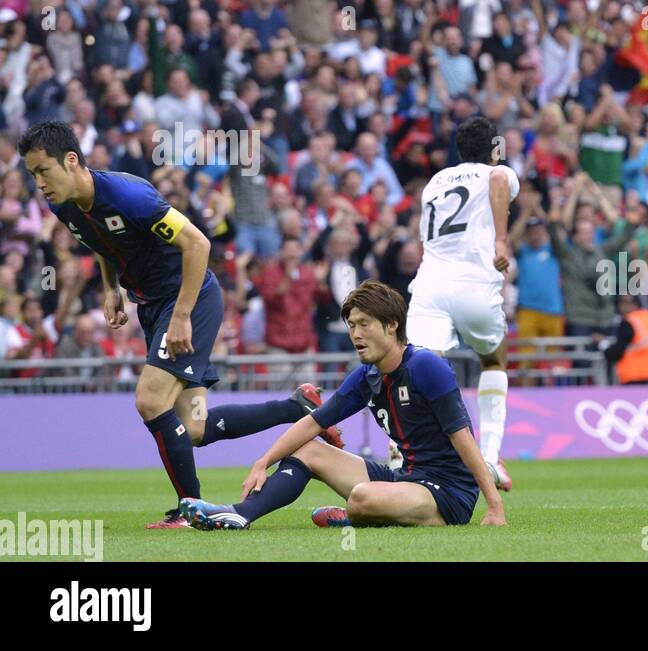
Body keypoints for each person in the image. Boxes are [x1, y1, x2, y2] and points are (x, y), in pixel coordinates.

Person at [19, 121, 341, 529]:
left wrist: (182, 315)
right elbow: (101, 243)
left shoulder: (127, 194)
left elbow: (198, 243)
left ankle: (189, 509)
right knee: (193, 427)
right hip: (154, 305)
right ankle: (297, 407)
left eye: (42, 171)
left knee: (151, 400)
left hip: (190, 298)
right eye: (31, 175)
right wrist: (110, 289)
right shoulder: (63, 206)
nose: (38, 183)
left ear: (70, 160)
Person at [179, 280, 506, 529]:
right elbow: (314, 422)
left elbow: (462, 437)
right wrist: (263, 462)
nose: (356, 334)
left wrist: (493, 505)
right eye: (351, 325)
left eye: (364, 324)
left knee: (363, 496)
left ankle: (355, 515)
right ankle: (240, 515)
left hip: (447, 494)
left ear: (392, 325)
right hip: (407, 478)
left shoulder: (426, 366)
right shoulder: (366, 374)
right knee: (307, 449)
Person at [407, 117, 518, 491]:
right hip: (474, 283)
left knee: (417, 369)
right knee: (494, 358)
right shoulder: (496, 172)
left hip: (430, 284)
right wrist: (501, 241)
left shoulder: (436, 182)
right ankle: (488, 458)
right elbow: (500, 179)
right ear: (494, 151)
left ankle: (403, 453)